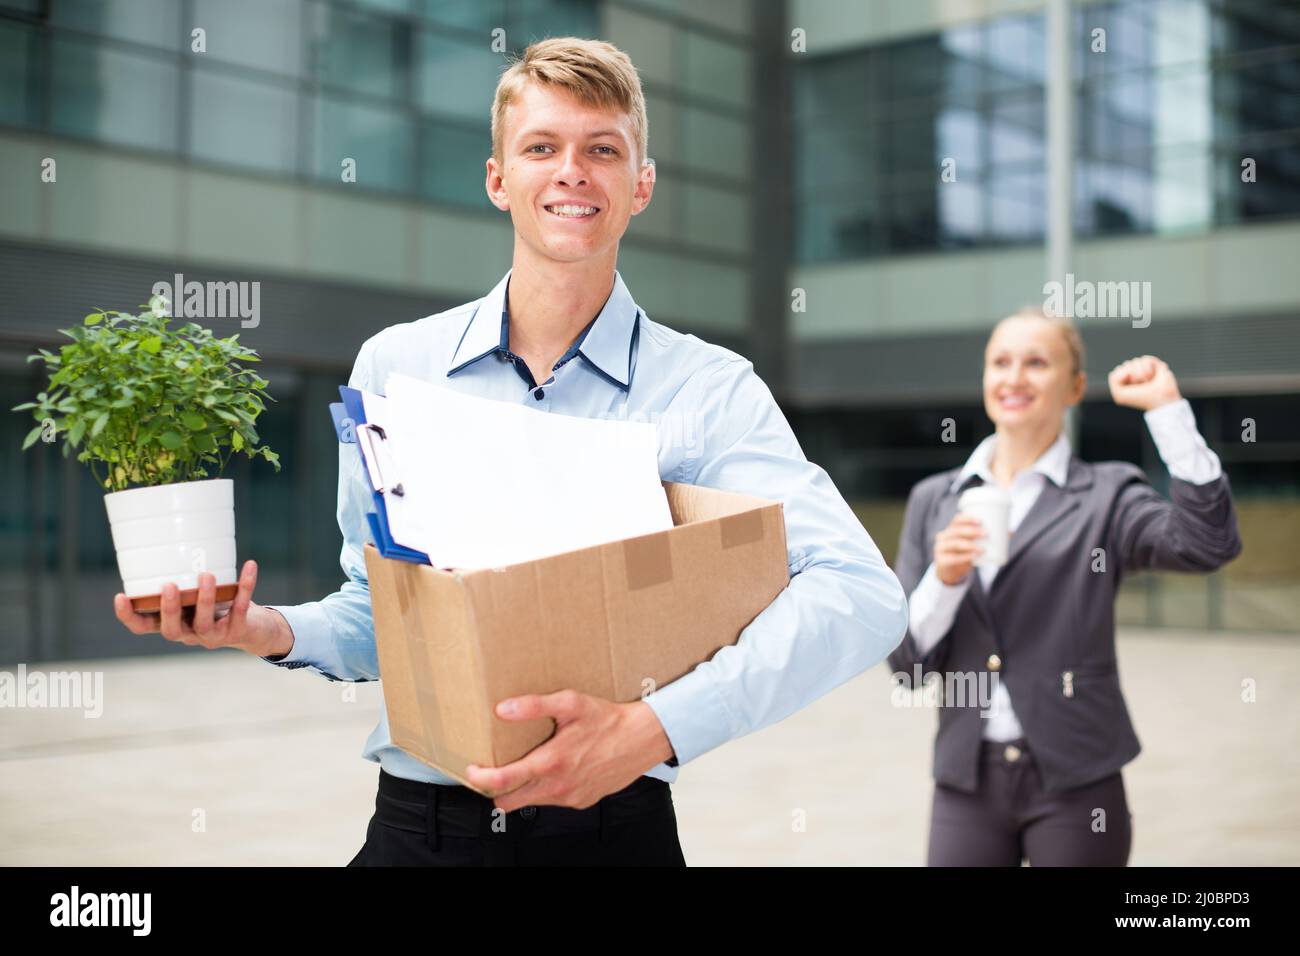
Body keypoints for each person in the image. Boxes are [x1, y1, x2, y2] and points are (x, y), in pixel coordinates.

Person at [112, 37, 908, 866]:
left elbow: (860, 592)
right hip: (420, 833)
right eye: (541, 147)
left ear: (641, 184)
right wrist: (263, 628)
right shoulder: (397, 368)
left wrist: (656, 728)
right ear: (498, 179)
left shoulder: (709, 390)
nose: (572, 171)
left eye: (603, 150)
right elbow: (384, 615)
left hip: (612, 834)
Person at [889, 307, 1242, 866]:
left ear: (1075, 386)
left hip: (1078, 775)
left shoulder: (1107, 493)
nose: (1014, 378)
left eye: (1037, 363)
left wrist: (1168, 414)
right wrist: (946, 579)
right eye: (1000, 362)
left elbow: (1208, 544)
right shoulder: (934, 500)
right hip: (966, 779)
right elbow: (907, 666)